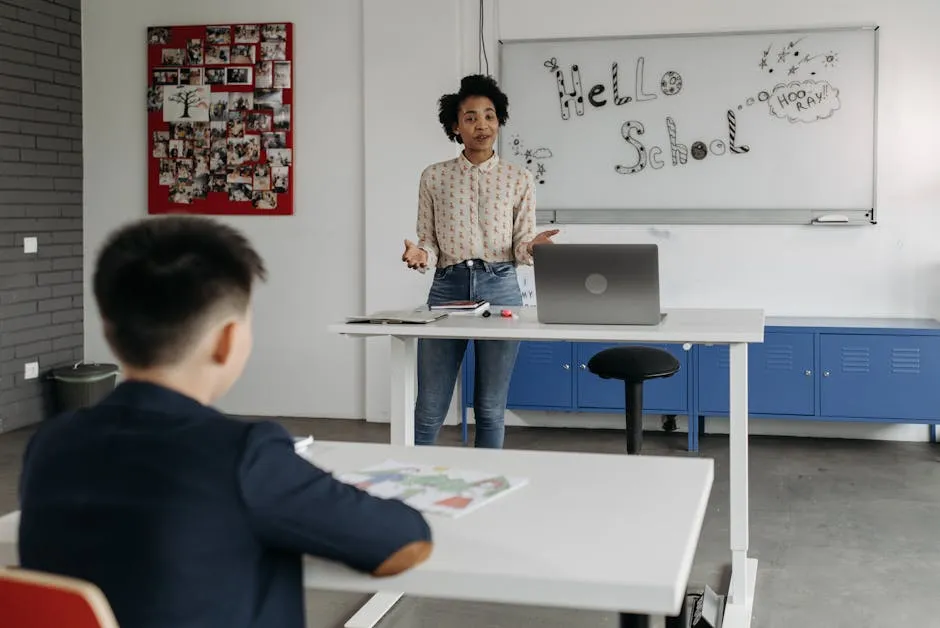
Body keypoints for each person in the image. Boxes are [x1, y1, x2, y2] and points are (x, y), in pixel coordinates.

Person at [18, 216, 433, 628]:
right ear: (227, 340)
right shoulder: (244, 455)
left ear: (110, 332)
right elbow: (403, 540)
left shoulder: (51, 443)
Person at [401, 74, 559, 449]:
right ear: (455, 126)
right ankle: (411, 481)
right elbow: (429, 241)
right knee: (429, 407)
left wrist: (533, 247)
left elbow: (520, 244)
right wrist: (421, 255)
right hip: (447, 287)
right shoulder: (434, 177)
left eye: (489, 115)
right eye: (470, 117)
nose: (481, 125)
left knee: (489, 407)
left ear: (499, 121)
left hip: (501, 286)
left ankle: (486, 487)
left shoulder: (518, 178)